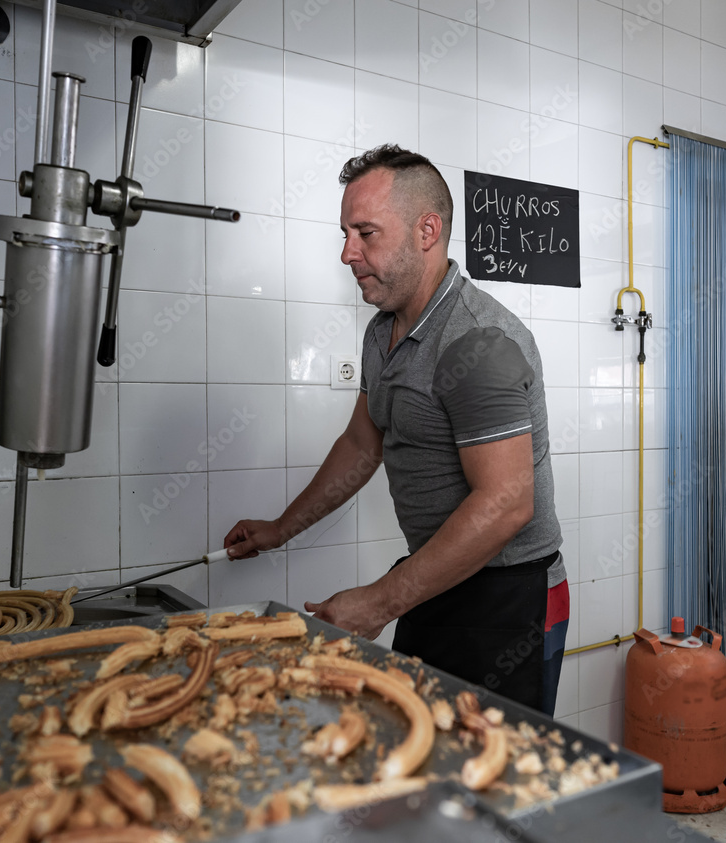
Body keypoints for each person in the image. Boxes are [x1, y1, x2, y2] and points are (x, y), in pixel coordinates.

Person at [223, 145, 569, 716]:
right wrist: (282, 528)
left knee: (501, 784)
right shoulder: (382, 332)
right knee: (423, 756)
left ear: (426, 231)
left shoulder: (477, 341)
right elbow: (363, 444)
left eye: (366, 233)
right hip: (436, 577)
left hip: (512, 600)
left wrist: (379, 602)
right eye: (345, 233)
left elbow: (506, 505)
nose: (346, 253)